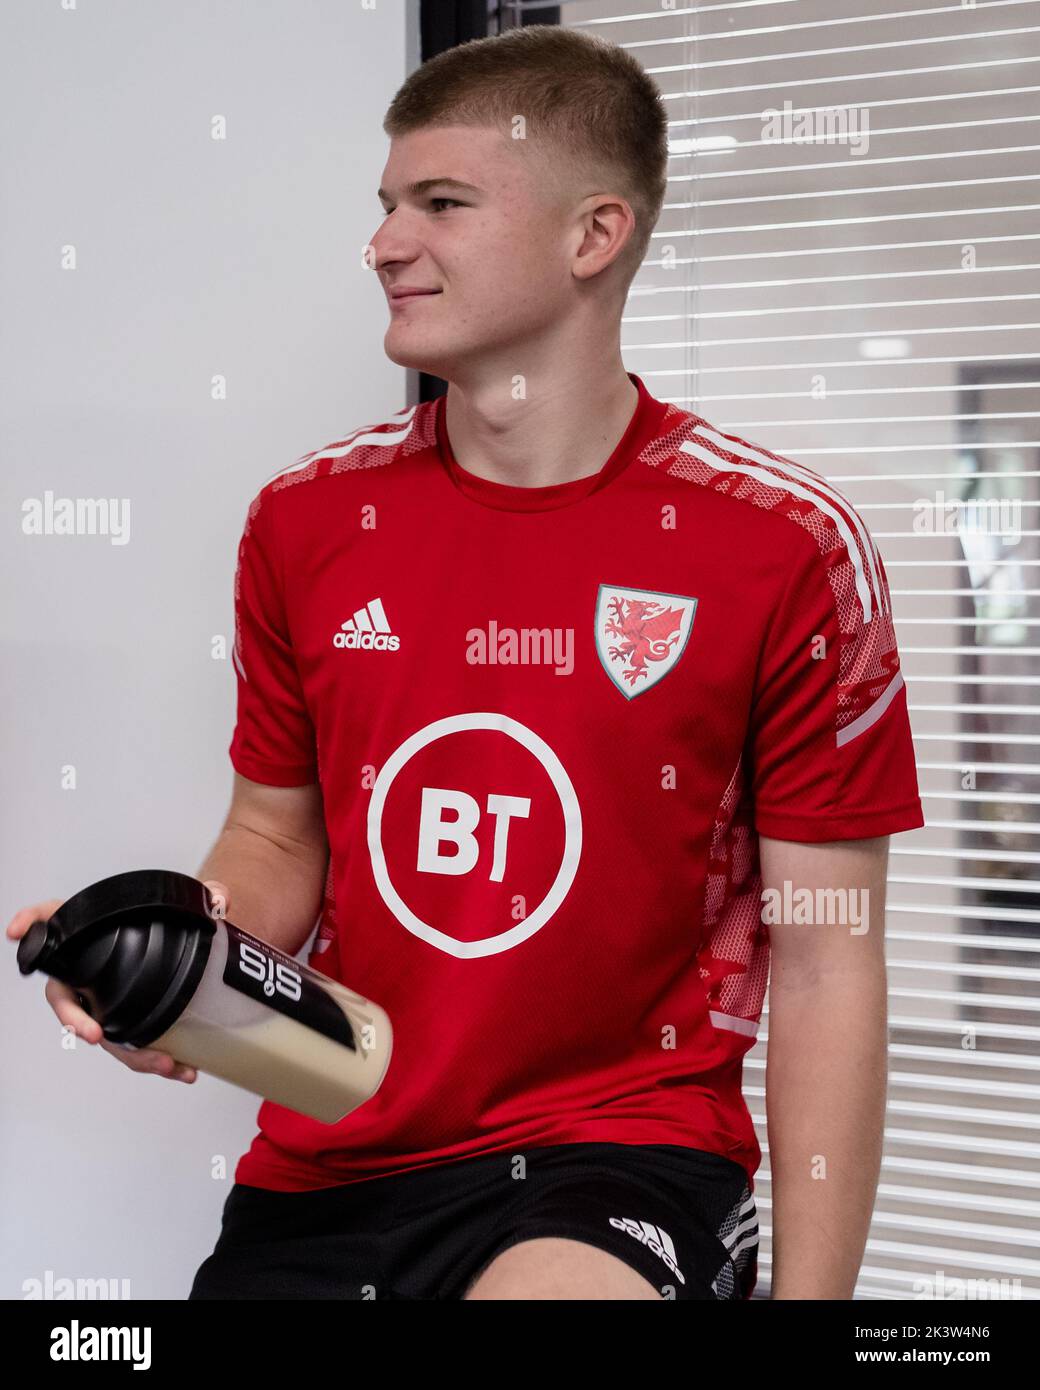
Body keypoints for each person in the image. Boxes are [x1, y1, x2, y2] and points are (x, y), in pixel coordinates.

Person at [7, 24, 924, 1301]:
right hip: (336, 1157)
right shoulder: (304, 521)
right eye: (384, 207)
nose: (384, 243)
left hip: (616, 1160)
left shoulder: (780, 544)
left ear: (591, 235)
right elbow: (275, 843)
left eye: (439, 204)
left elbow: (826, 955)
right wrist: (175, 956)